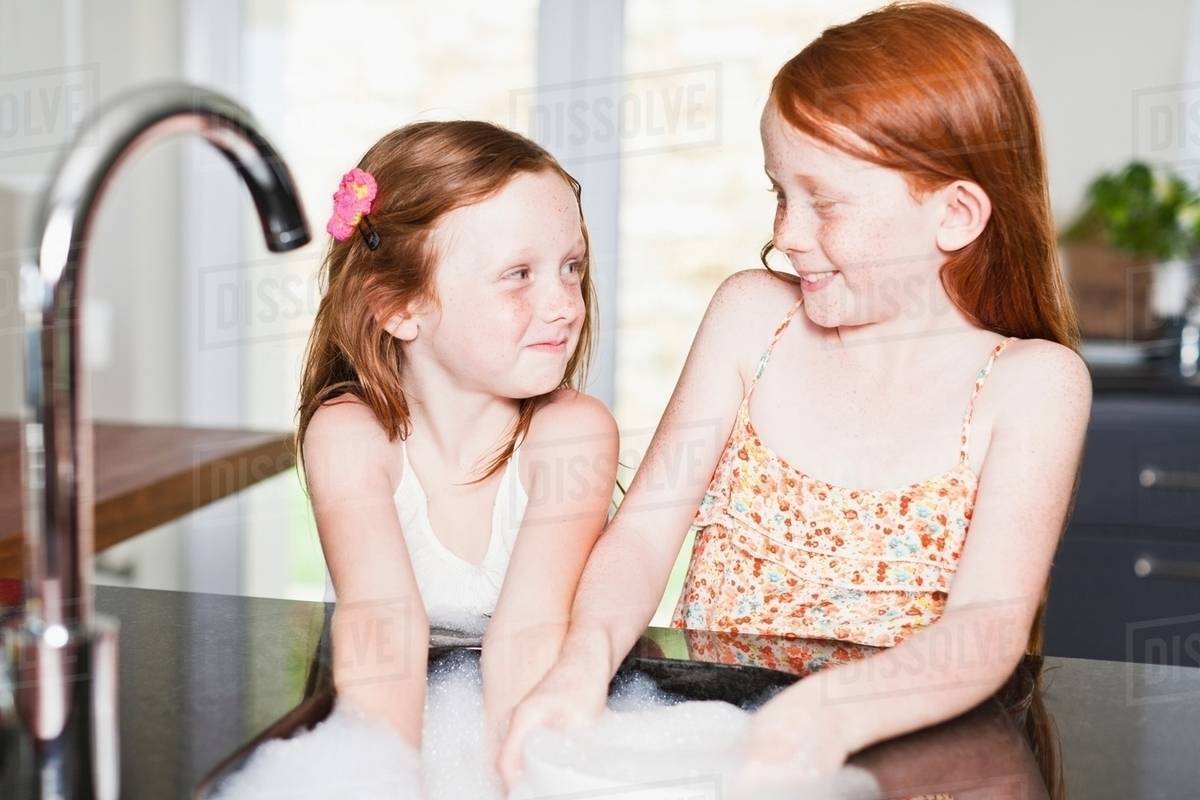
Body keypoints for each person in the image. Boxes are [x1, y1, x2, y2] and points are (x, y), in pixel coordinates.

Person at [498, 3, 1091, 796]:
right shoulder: (754, 318)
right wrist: (580, 667)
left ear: (954, 213)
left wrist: (814, 720)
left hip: (901, 764)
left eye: (826, 203)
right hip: (710, 743)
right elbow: (641, 534)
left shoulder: (1032, 384)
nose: (787, 234)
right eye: (781, 195)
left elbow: (982, 633)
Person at [294, 121, 619, 784]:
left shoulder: (571, 435)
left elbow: (527, 645)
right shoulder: (349, 436)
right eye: (519, 275)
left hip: (529, 725)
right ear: (398, 305)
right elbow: (385, 640)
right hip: (397, 721)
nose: (565, 304)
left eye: (572, 267)